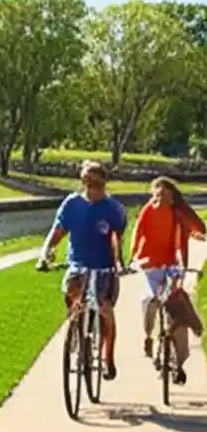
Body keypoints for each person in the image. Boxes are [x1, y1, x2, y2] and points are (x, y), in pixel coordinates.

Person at [36, 161, 127, 380]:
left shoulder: (113, 208)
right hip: (78, 263)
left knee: (105, 310)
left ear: (103, 182)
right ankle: (76, 332)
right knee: (72, 296)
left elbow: (116, 238)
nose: (90, 185)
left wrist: (119, 263)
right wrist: (46, 252)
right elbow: (58, 230)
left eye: (95, 181)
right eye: (86, 180)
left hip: (104, 267)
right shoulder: (72, 204)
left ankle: (108, 358)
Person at [129, 176, 204, 384]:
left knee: (176, 306)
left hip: (173, 265)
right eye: (155, 195)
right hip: (151, 263)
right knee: (151, 300)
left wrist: (195, 232)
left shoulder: (179, 212)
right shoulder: (148, 210)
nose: (158, 199)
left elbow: (198, 227)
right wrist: (132, 256)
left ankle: (178, 362)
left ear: (172, 197)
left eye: (163, 195)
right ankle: (148, 337)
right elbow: (138, 232)